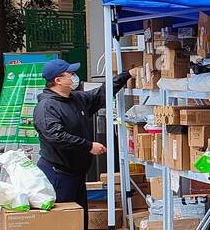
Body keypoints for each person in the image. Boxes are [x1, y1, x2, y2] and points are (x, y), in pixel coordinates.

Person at [32, 58, 136, 212]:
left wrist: (127, 75)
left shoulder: (76, 99)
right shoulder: (47, 107)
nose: (74, 77)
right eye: (71, 73)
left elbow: (101, 94)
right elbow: (56, 136)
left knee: (79, 224)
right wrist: (88, 146)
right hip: (58, 175)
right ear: (58, 80)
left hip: (77, 175)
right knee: (65, 224)